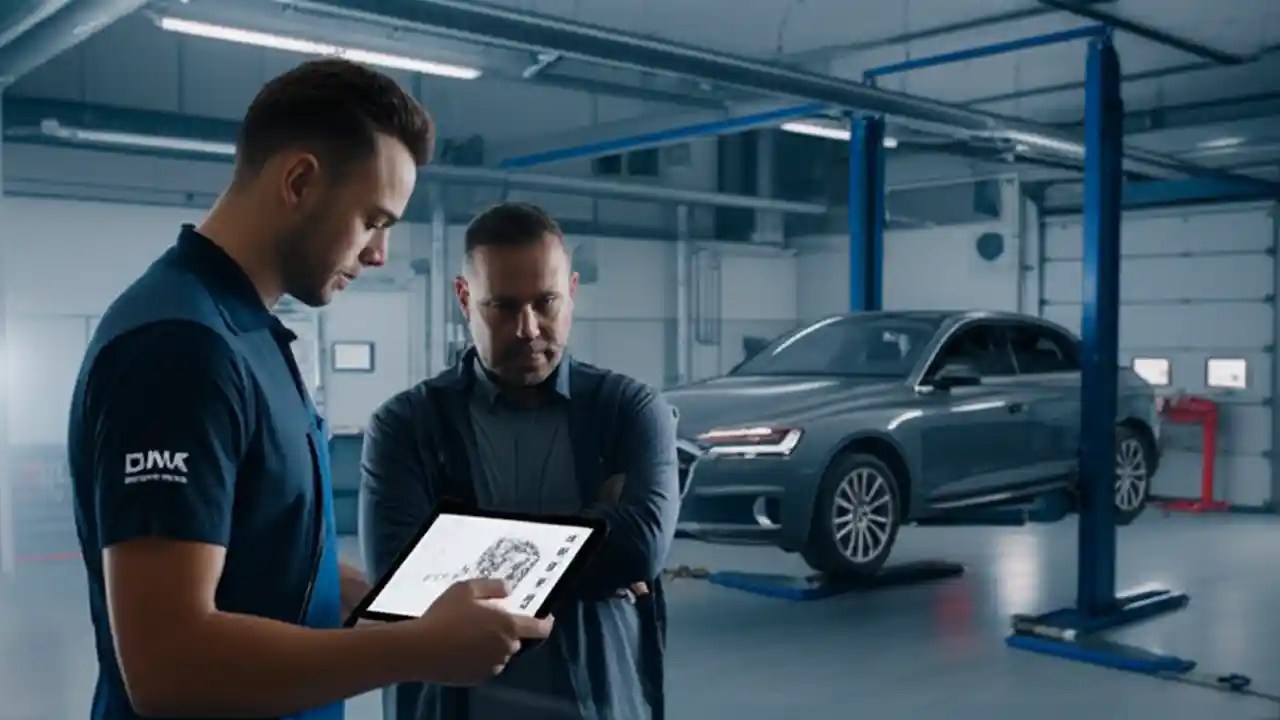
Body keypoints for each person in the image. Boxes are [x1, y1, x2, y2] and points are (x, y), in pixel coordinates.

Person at [66, 59, 551, 720]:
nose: (380, 253)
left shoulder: (247, 334)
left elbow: (262, 560)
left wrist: (372, 597)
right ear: (298, 181)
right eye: (374, 220)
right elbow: (169, 664)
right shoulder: (180, 350)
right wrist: (419, 649)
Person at [359, 202, 681, 720]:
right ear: (465, 299)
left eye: (546, 302)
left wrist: (460, 547)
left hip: (601, 702)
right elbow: (402, 577)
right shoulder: (405, 425)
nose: (528, 328)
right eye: (503, 307)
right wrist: (592, 533)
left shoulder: (630, 410)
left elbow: (639, 546)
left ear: (572, 291)